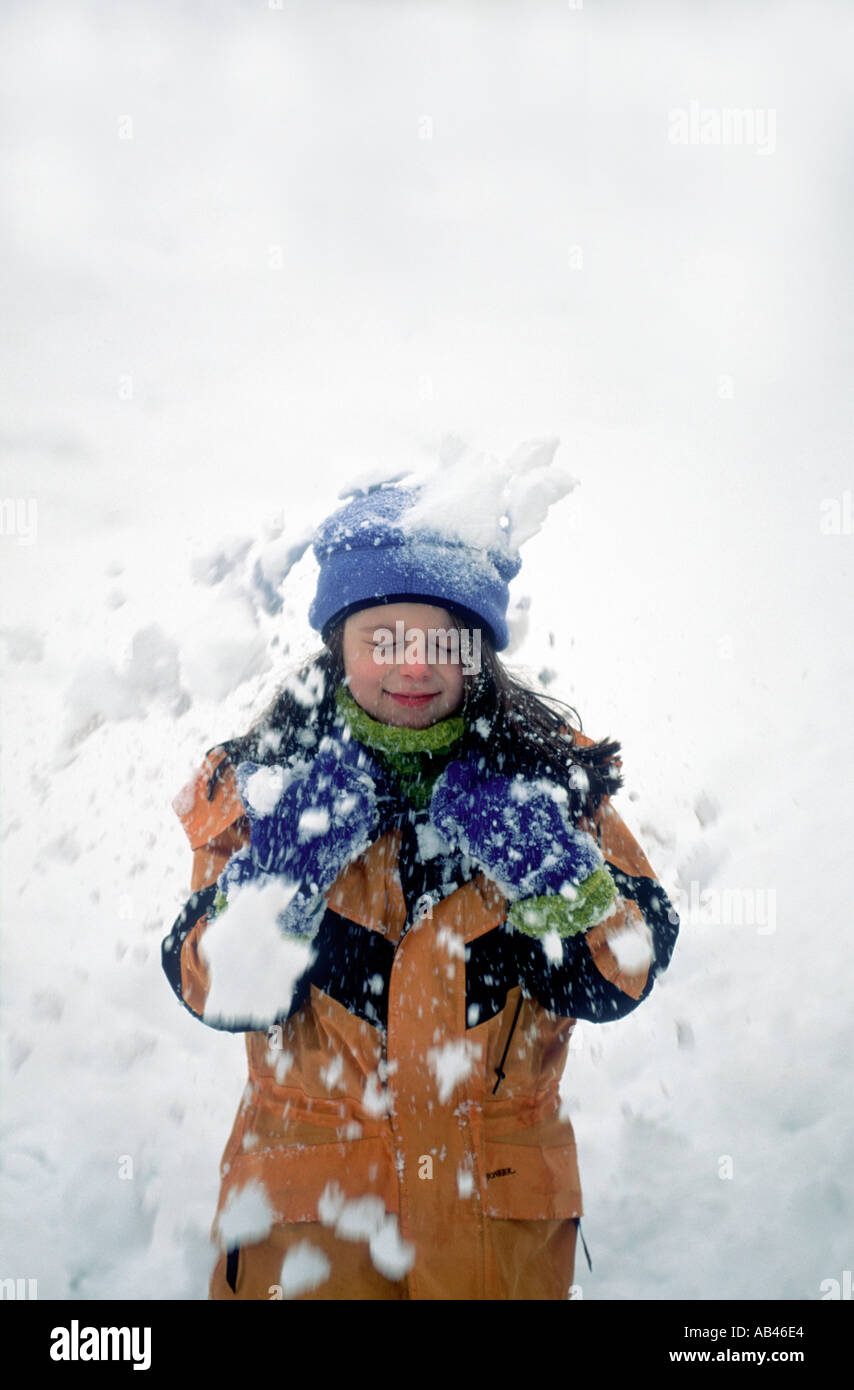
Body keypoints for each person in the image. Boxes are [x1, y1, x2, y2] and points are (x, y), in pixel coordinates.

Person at [162, 481, 679, 1300]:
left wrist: (561, 879)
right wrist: (279, 875)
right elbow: (215, 989)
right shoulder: (258, 788)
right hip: (308, 1246)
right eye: (384, 637)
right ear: (339, 644)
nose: (412, 665)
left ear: (479, 650)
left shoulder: (554, 784)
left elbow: (624, 973)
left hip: (492, 1249)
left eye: (442, 642)